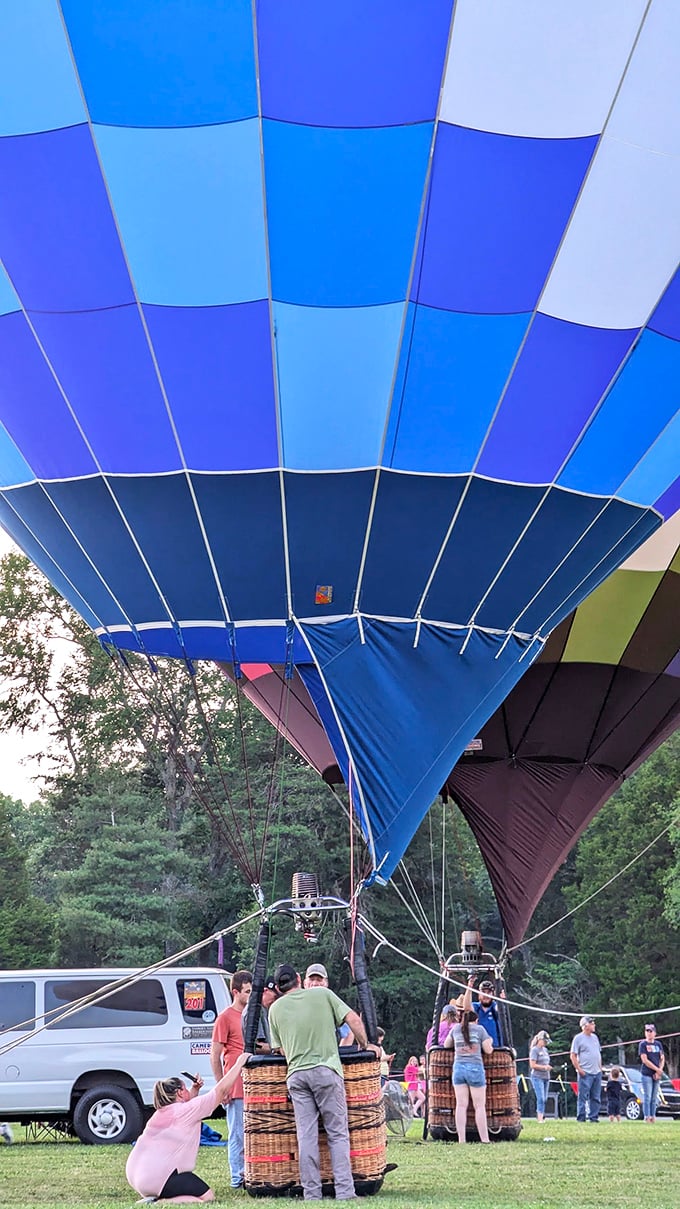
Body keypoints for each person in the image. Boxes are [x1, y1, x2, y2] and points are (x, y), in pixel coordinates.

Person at [268, 961, 380, 1202]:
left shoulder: (274, 1010)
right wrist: (365, 1045)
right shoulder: (323, 994)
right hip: (326, 1071)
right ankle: (345, 1192)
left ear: (278, 987)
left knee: (306, 1137)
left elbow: (281, 1050)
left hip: (296, 1075)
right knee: (337, 1134)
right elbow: (354, 1019)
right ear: (299, 978)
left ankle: (311, 1194)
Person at [125, 1059, 248, 1203]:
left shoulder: (160, 1113)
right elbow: (220, 1091)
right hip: (157, 1178)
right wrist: (239, 1062)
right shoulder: (184, 1111)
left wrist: (194, 1090)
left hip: (136, 1177)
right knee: (207, 1197)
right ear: (179, 1093)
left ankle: (154, 1196)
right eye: (185, 1089)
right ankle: (158, 1202)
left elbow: (186, 1114)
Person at [210, 969, 252, 1190]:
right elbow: (214, 1055)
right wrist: (221, 1087)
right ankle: (237, 1176)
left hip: (252, 1083)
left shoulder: (252, 1017)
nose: (250, 994)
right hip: (234, 1085)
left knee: (251, 1133)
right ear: (235, 992)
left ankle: (250, 1173)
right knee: (237, 1133)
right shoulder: (225, 1017)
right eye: (246, 991)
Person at [444, 1007, 493, 1143]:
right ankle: (484, 1139)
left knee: (461, 1105)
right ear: (476, 1020)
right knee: (479, 1106)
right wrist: (491, 1041)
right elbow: (488, 1050)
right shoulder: (480, 1030)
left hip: (458, 1068)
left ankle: (461, 1139)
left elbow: (447, 1044)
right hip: (475, 1068)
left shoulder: (455, 1029)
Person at [304, 962, 354, 1046]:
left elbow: (349, 1032)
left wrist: (341, 1055)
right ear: (304, 983)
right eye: (312, 979)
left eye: (319, 980)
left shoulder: (333, 1006)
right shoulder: (296, 1004)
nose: (315, 983)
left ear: (326, 983)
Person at [570, 1015, 602, 1123]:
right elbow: (573, 1055)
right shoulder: (578, 1038)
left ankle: (594, 1117)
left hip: (596, 1072)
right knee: (582, 1097)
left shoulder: (595, 1038)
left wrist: (600, 1068)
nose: (594, 1025)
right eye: (591, 1023)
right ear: (585, 1025)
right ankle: (581, 1118)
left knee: (596, 1097)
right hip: (585, 1072)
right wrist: (579, 1069)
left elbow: (598, 1053)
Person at [461, 975, 503, 1047]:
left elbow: (500, 1009)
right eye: (483, 992)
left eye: (489, 992)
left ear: (493, 994)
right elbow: (466, 1007)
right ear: (478, 994)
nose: (485, 995)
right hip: (478, 1049)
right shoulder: (476, 1007)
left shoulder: (494, 1006)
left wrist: (501, 998)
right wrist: (470, 986)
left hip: (495, 1049)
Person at [241, 976, 279, 1052]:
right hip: (258, 1062)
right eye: (275, 997)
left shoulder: (264, 1009)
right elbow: (257, 1046)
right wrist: (277, 1049)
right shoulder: (255, 1011)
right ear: (265, 990)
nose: (276, 1001)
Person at [638, 1022, 665, 1122]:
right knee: (647, 1096)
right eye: (647, 1031)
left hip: (657, 1074)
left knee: (654, 1097)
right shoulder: (643, 1044)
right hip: (647, 1074)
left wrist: (659, 1071)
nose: (649, 1033)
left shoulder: (658, 1044)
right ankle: (647, 1116)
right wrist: (656, 1069)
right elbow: (645, 1060)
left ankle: (653, 1116)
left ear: (655, 1033)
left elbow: (662, 1058)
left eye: (651, 1031)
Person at [529, 1030, 552, 1122]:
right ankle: (539, 1118)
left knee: (545, 1098)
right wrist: (544, 1067)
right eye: (545, 1041)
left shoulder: (545, 1050)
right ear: (540, 1039)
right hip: (537, 1077)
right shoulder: (534, 1050)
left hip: (546, 1077)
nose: (546, 1043)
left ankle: (542, 1115)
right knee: (541, 1098)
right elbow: (533, 1065)